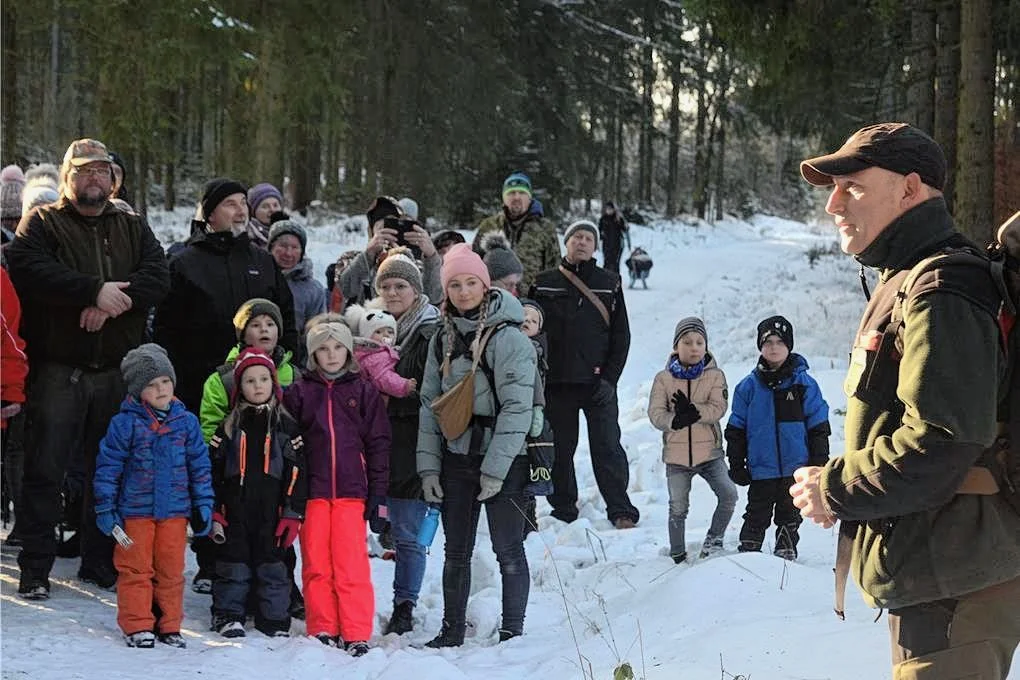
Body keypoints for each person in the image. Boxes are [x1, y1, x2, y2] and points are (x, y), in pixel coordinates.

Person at [789, 122, 1020, 679]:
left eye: (854, 187)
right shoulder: (909, 278)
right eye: (832, 189)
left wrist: (836, 489)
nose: (834, 204)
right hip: (939, 569)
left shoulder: (943, 290)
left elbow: (943, 441)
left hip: (957, 579)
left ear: (911, 189)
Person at [7, 138, 170, 599]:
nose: (93, 178)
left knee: (111, 472)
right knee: (45, 470)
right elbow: (27, 269)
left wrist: (111, 304)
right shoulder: (42, 221)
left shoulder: (132, 224)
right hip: (60, 370)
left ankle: (101, 562)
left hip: (117, 371)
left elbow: (158, 277)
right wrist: (90, 290)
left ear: (113, 178)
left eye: (101, 170)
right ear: (67, 177)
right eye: (83, 171)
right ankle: (35, 568)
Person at [416, 243, 536, 647]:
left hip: (505, 461)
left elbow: (518, 409)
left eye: (471, 283)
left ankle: (513, 631)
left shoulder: (509, 339)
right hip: (456, 458)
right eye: (454, 284)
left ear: (485, 286)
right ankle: (451, 630)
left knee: (508, 550)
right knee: (456, 552)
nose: (464, 291)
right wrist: (429, 468)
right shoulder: (441, 339)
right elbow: (429, 407)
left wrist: (495, 470)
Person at [93, 343, 214, 648]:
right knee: (135, 568)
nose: (161, 389)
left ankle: (169, 624)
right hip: (134, 514)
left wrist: (203, 504)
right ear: (136, 391)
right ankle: (137, 624)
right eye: (151, 384)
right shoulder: (125, 424)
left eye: (165, 381)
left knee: (171, 569)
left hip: (175, 512)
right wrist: (105, 507)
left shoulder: (186, 422)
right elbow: (108, 468)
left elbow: (199, 465)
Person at [283, 315, 390, 656]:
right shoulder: (299, 393)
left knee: (351, 564)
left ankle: (357, 630)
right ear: (313, 355)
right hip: (312, 493)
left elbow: (378, 443)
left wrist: (378, 494)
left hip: (350, 491)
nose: (331, 355)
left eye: (338, 348)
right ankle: (323, 626)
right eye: (323, 349)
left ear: (349, 351)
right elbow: (288, 442)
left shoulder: (363, 391)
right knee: (316, 562)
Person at [154, 177, 297, 414]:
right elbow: (166, 331)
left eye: (243, 203)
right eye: (230, 204)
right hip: (199, 390)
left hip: (263, 388)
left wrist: (288, 364)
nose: (241, 211)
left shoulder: (263, 261)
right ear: (210, 214)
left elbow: (288, 319)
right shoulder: (184, 264)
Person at [529, 220, 639, 528]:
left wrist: (610, 379)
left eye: (589, 238)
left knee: (607, 446)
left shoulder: (610, 282)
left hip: (597, 383)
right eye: (577, 236)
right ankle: (563, 508)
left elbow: (622, 336)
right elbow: (531, 333)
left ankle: (620, 509)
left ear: (595, 246)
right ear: (567, 242)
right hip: (556, 383)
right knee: (560, 450)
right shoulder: (543, 282)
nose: (582, 242)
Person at [195, 298, 298, 601]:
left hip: (275, 473)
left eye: (270, 324)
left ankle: (284, 595)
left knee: (276, 540)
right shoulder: (222, 377)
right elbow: (209, 424)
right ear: (242, 333)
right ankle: (221, 585)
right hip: (235, 472)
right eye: (255, 325)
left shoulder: (295, 375)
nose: (264, 330)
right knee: (232, 537)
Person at [208, 347, 307, 639]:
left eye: (264, 379)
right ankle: (228, 615)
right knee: (232, 566)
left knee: (274, 567)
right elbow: (210, 471)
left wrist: (292, 512)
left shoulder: (286, 426)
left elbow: (298, 471)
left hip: (272, 513)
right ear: (240, 387)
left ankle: (275, 619)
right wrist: (213, 508)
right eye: (250, 380)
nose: (258, 386)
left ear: (273, 383)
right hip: (234, 511)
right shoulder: (227, 427)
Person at [372, 250, 441, 635]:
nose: (392, 292)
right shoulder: (370, 329)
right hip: (374, 440)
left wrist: (391, 396)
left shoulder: (429, 332)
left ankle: (404, 603)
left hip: (413, 440)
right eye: (386, 285)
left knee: (408, 531)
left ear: (415, 290)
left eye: (400, 285)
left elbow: (434, 391)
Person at [725, 315, 829, 561]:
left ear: (789, 346)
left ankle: (786, 551)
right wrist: (736, 463)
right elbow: (736, 429)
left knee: (789, 514)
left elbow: (818, 425)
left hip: (795, 469)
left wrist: (818, 461)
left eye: (779, 342)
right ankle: (749, 555)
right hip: (761, 468)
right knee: (756, 514)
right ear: (760, 346)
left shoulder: (804, 384)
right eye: (768, 341)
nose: (773, 347)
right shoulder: (748, 387)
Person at [647, 317, 736, 563]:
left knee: (729, 495)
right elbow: (655, 413)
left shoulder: (716, 375)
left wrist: (694, 412)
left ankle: (713, 541)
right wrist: (675, 421)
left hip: (710, 454)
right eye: (687, 342)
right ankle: (676, 555)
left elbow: (718, 408)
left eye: (700, 342)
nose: (694, 347)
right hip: (676, 458)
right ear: (676, 347)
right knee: (677, 507)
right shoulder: (663, 379)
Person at [334, 196, 443, 308]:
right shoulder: (351, 258)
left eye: (391, 224)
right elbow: (344, 290)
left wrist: (431, 256)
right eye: (381, 227)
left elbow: (433, 299)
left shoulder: (416, 264)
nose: (386, 232)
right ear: (371, 231)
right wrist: (368, 255)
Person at [473, 172, 559, 296]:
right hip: (492, 300)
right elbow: (474, 264)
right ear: (504, 197)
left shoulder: (545, 228)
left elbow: (554, 269)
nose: (516, 197)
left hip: (531, 303)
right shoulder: (489, 225)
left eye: (522, 193)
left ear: (529, 198)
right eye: (511, 193)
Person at [267, 219, 326, 361]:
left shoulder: (313, 289)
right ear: (271, 247)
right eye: (283, 246)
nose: (288, 253)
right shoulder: (258, 279)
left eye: (295, 247)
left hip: (298, 362)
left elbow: (317, 332)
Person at [344, 303, 417, 403]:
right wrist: (403, 385)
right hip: (375, 400)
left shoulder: (374, 352)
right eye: (378, 332)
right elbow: (383, 377)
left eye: (390, 332)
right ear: (367, 335)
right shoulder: (375, 356)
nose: (386, 335)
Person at [246, 182, 284, 249]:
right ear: (253, 212)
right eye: (265, 206)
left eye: (275, 205)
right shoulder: (248, 236)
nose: (272, 210)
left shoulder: (291, 231)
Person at [598, 201, 629, 275]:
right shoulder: (603, 219)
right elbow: (599, 231)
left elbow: (625, 229)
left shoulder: (618, 218)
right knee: (607, 262)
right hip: (606, 244)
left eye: (610, 209)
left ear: (613, 209)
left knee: (615, 263)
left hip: (617, 245)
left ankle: (616, 281)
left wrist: (625, 225)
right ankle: (605, 281)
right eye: (607, 209)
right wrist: (601, 237)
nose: (608, 210)